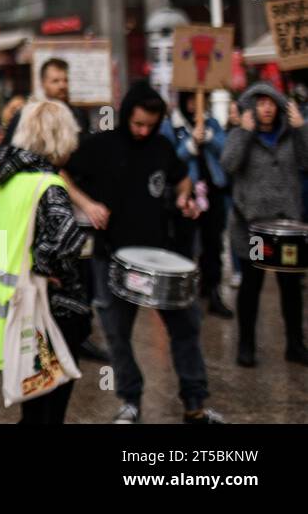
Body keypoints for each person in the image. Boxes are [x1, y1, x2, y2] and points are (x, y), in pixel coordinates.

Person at [66, 81, 222, 424]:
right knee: (117, 333)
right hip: (113, 255)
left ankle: (195, 404)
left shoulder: (163, 146)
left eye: (150, 125)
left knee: (186, 327)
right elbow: (61, 173)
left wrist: (184, 198)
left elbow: (181, 179)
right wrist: (87, 204)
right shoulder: (101, 145)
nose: (143, 131)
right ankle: (130, 401)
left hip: (160, 255)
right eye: (137, 123)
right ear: (125, 115)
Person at [0, 100, 90, 424]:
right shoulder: (49, 185)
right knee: (51, 408)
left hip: (9, 305)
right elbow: (67, 242)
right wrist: (49, 269)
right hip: (52, 308)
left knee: (32, 401)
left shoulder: (4, 182)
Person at [220, 81, 308, 367]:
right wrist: (244, 133)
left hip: (287, 226)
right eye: (260, 102)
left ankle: (295, 344)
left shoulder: (291, 134)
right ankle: (246, 346)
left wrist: (302, 128)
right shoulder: (239, 133)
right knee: (251, 286)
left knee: (290, 287)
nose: (266, 108)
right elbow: (229, 165)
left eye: (271, 102)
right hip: (252, 227)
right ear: (251, 107)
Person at [160, 91, 233, 318]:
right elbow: (168, 160)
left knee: (214, 244)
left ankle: (212, 291)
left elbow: (227, 151)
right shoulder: (170, 126)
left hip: (213, 191)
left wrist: (209, 138)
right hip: (185, 194)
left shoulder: (211, 123)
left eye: (198, 100)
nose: (193, 105)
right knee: (185, 245)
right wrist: (190, 145)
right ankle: (183, 292)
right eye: (189, 99)